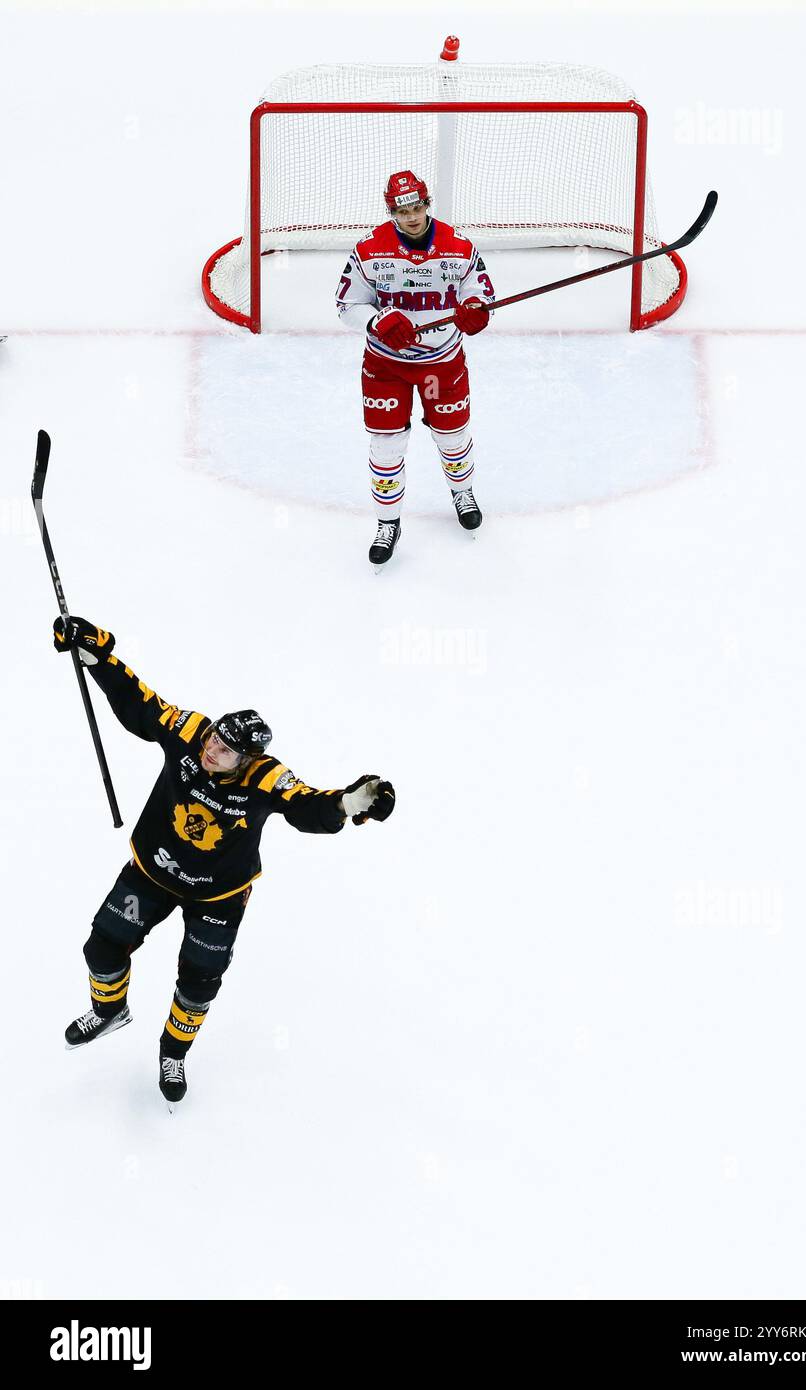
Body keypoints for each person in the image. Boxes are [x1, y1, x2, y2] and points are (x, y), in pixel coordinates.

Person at [54, 616, 395, 1106]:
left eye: (227, 750)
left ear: (249, 760)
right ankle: (109, 1011)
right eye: (215, 739)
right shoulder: (191, 731)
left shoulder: (267, 778)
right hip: (154, 869)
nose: (212, 750)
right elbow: (139, 704)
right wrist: (97, 656)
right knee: (101, 949)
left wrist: (347, 805)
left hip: (220, 893)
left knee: (197, 984)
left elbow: (306, 807)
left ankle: (173, 1052)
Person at [335, 169, 495, 565]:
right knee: (386, 445)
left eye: (416, 206)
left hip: (440, 364)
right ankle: (388, 523)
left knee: (451, 437)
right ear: (390, 211)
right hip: (386, 366)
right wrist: (376, 321)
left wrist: (476, 309)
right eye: (401, 210)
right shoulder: (370, 250)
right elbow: (346, 304)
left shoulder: (459, 247)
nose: (410, 216)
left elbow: (480, 292)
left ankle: (462, 493)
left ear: (427, 204)